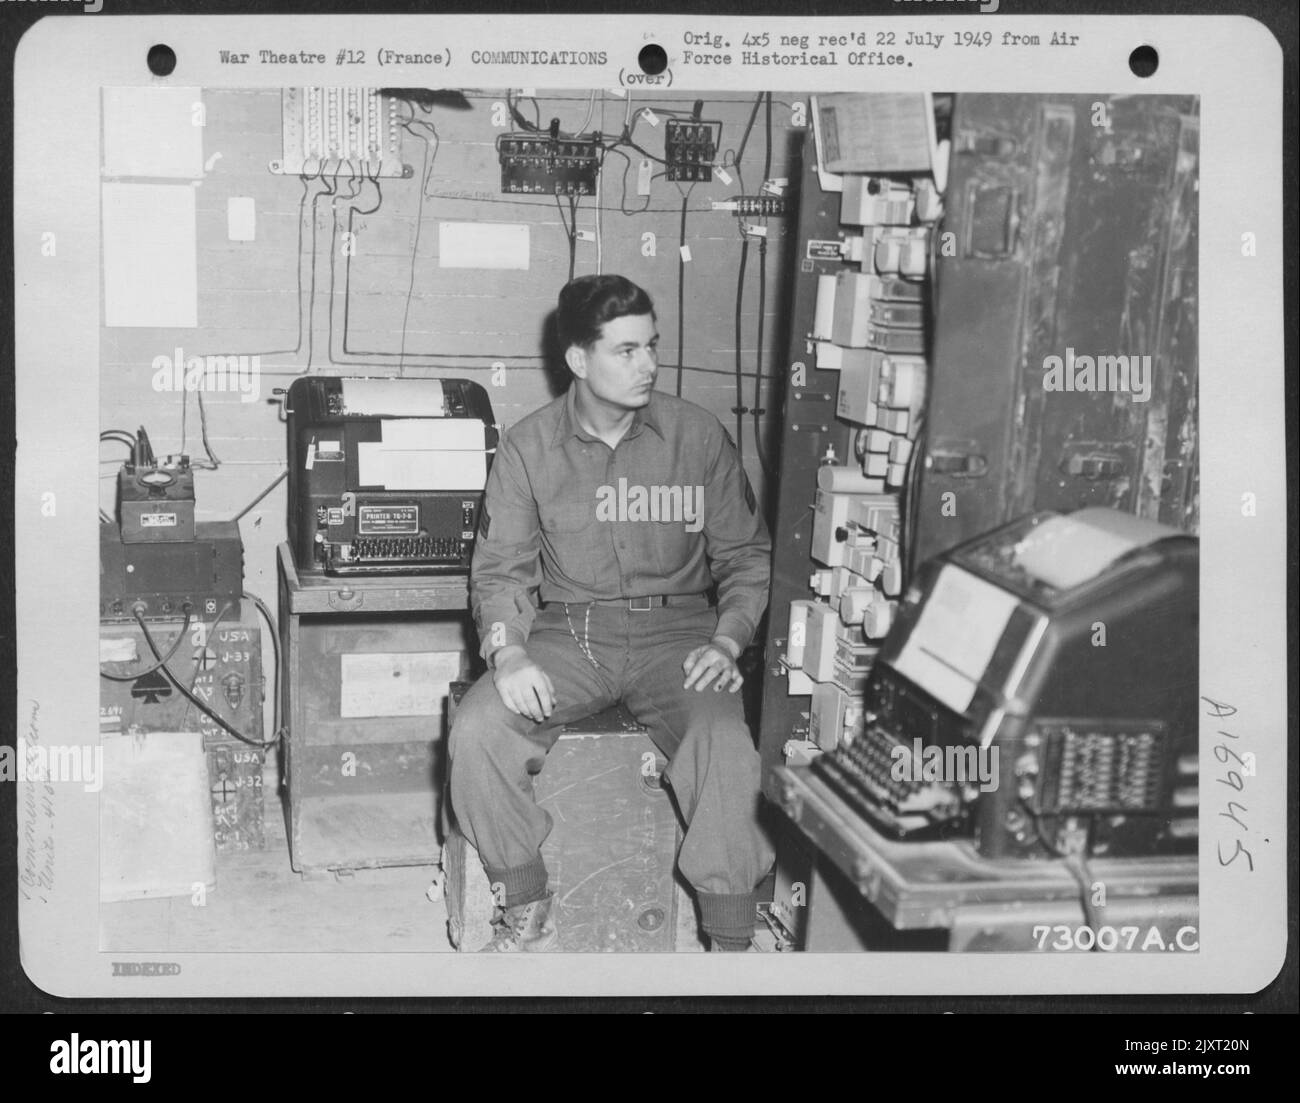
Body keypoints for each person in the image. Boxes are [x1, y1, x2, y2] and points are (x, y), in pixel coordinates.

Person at [447, 273, 775, 952]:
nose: (648, 364)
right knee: (477, 730)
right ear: (577, 359)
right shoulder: (528, 448)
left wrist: (728, 639)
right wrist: (508, 651)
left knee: (724, 744)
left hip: (680, 636)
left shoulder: (699, 437)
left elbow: (745, 556)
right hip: (573, 634)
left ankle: (733, 941)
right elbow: (501, 567)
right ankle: (525, 900)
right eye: (626, 350)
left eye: (651, 346)